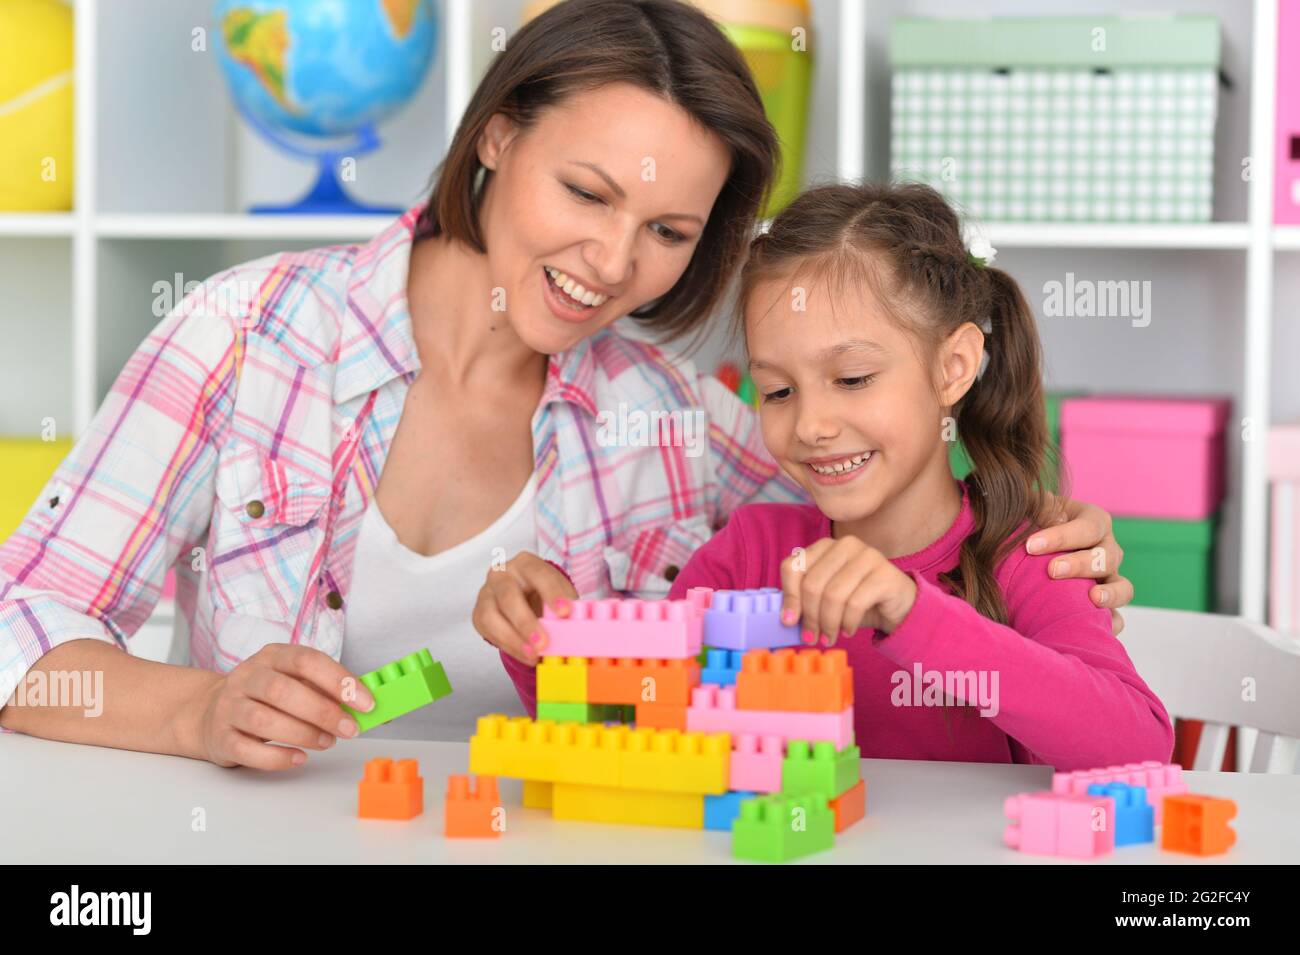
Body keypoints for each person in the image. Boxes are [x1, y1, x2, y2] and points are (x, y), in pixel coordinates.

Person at [0, 0, 1131, 768]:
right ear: (496, 137)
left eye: (668, 230)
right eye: (586, 192)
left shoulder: (677, 418)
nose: (612, 263)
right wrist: (198, 711)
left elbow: (876, 479)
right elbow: (19, 631)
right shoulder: (246, 339)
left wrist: (1036, 521)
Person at [658, 182, 1171, 770]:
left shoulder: (1030, 556)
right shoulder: (747, 555)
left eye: (851, 379)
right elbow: (636, 723)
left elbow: (1138, 747)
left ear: (953, 368)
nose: (811, 424)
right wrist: (534, 645)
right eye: (778, 390)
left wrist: (914, 614)